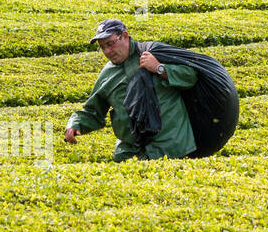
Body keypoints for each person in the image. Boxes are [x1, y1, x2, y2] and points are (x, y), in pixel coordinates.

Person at [64, 19, 200, 162]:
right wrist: (75, 124)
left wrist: (160, 68)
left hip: (171, 149)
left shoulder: (154, 52)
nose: (107, 51)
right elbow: (93, 111)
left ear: (124, 35)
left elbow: (191, 76)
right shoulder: (107, 75)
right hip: (130, 153)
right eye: (102, 47)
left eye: (110, 43)